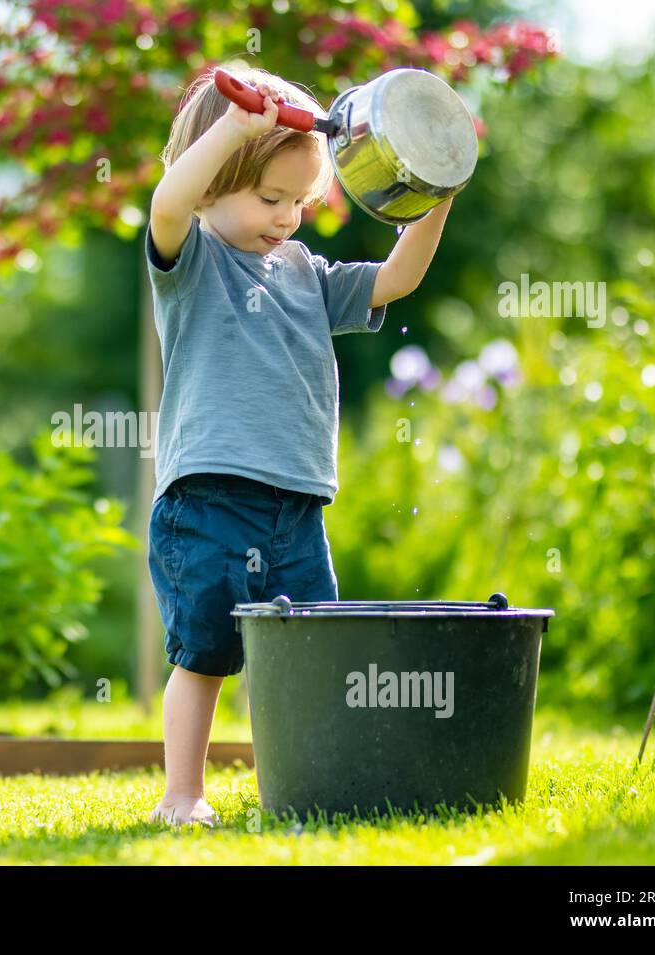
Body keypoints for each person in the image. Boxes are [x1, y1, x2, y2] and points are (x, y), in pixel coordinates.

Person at [145, 63, 452, 827]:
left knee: (306, 658)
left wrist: (437, 190)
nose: (286, 218)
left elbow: (397, 279)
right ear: (217, 181)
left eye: (300, 203)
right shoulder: (193, 261)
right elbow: (167, 200)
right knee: (204, 653)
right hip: (209, 497)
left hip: (297, 504)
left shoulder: (308, 276)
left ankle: (306, 785)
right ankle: (182, 794)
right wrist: (237, 128)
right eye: (269, 198)